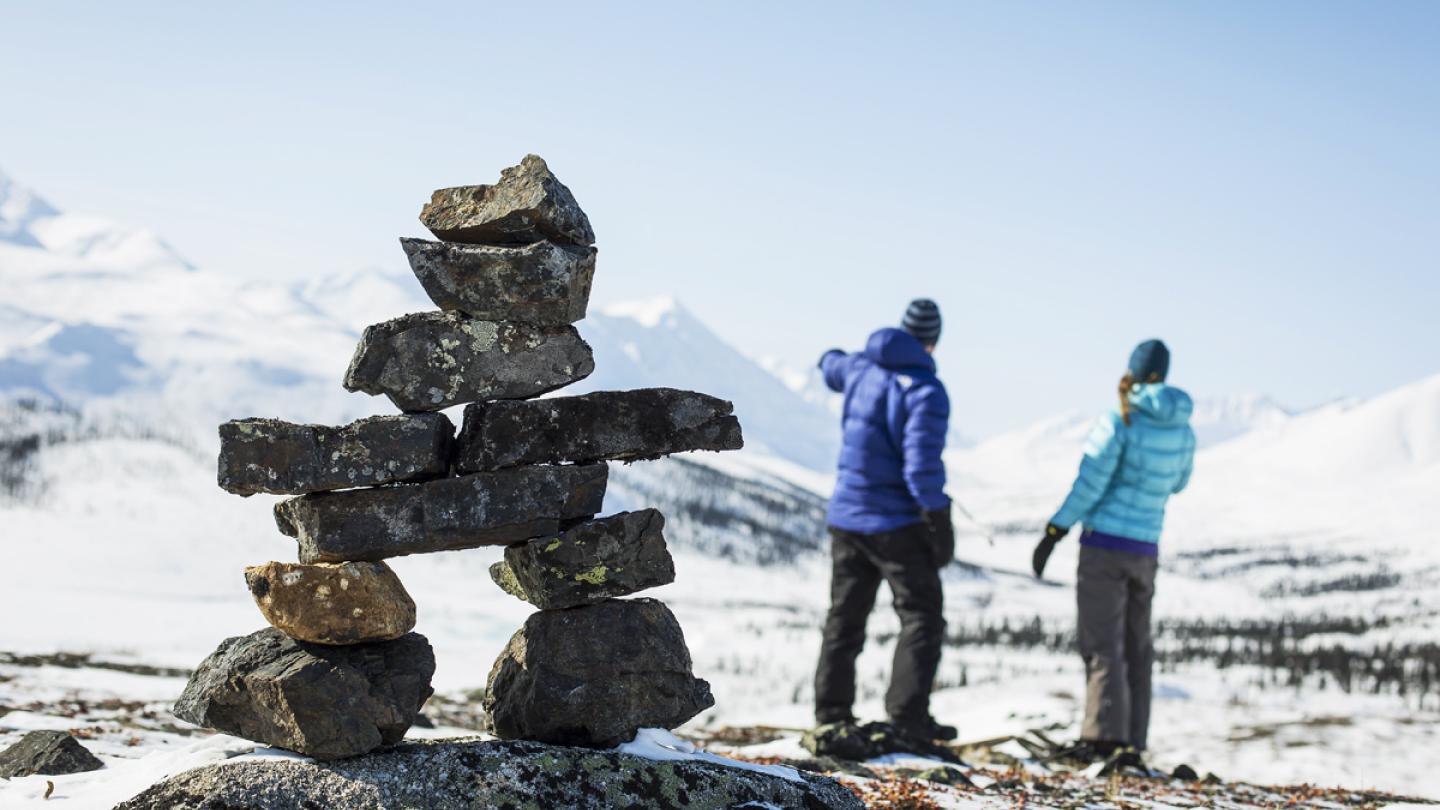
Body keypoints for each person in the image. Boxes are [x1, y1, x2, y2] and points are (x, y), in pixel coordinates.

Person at [1032, 339, 1196, 758]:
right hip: (1145, 549)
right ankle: (1133, 742)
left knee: (1103, 642)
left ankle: (1104, 739)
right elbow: (1178, 483)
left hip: (1104, 546)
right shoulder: (1182, 429)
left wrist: (1056, 529)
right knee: (1136, 645)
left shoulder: (1121, 420)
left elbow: (1090, 482)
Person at [812, 298, 956, 741]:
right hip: (894, 524)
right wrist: (939, 517)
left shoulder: (859, 369)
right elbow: (920, 470)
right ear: (932, 342)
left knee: (845, 618)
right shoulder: (926, 391)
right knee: (922, 615)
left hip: (846, 518)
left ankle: (832, 714)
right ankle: (907, 717)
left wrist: (835, 356)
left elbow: (827, 363)